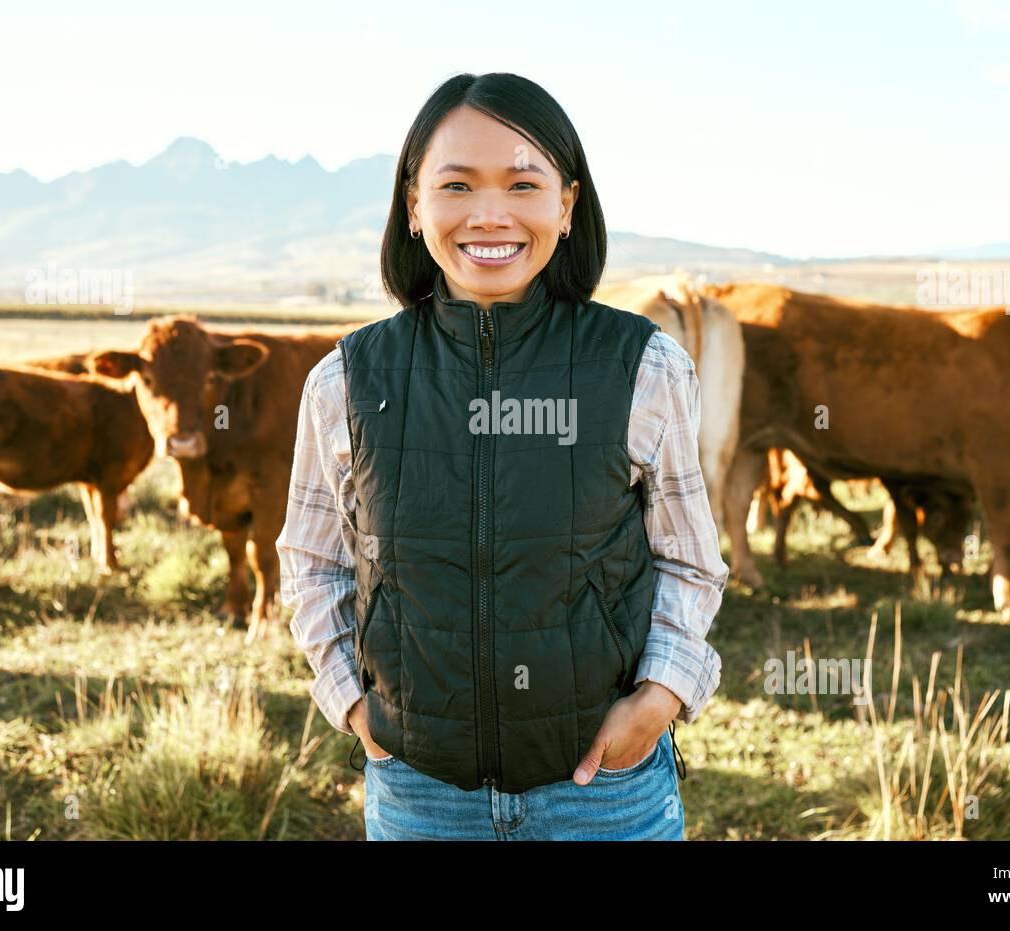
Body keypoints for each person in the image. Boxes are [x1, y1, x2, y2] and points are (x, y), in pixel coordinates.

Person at [276, 72, 729, 840]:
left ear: (566, 204)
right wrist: (353, 704)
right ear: (414, 207)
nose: (490, 215)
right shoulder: (347, 381)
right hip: (422, 795)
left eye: (523, 183)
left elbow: (689, 563)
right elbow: (312, 562)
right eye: (456, 185)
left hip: (602, 794)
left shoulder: (643, 366)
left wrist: (658, 699)